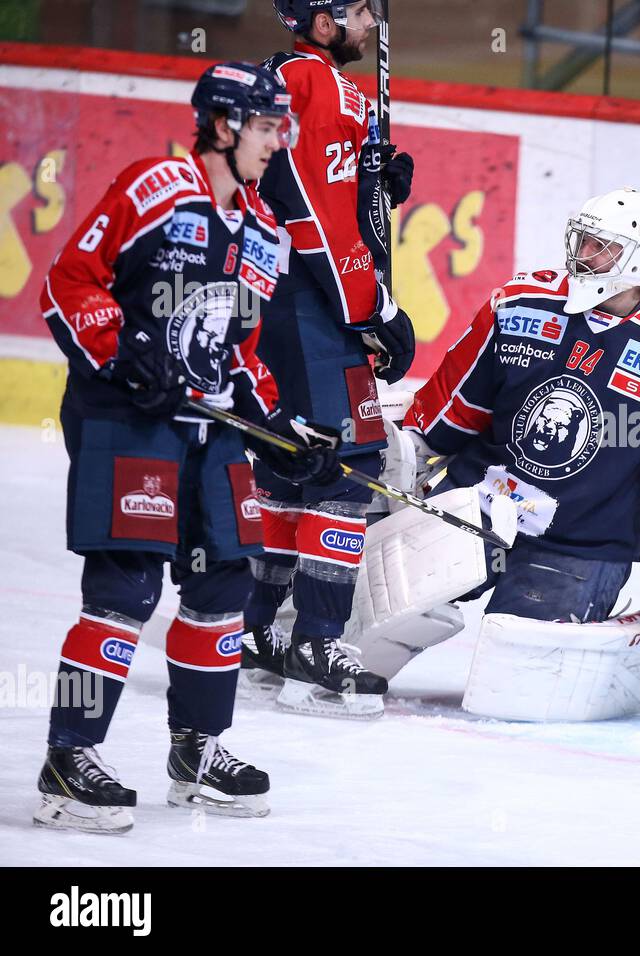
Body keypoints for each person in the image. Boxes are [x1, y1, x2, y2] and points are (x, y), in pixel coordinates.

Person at [241, 187, 640, 720]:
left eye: (598, 246)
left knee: (515, 682)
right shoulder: (520, 305)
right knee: (377, 621)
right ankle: (288, 646)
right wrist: (404, 455)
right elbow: (453, 404)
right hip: (480, 506)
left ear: (637, 258)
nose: (580, 254)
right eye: (580, 239)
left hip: (580, 544)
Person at [34, 62, 340, 833]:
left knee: (222, 588)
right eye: (268, 128)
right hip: (126, 417)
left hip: (208, 431)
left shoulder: (266, 234)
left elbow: (237, 354)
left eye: (282, 129)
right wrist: (122, 347)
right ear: (225, 124)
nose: (279, 143)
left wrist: (284, 430)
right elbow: (70, 282)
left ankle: (197, 750)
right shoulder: (158, 189)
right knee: (125, 591)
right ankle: (68, 758)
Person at [242, 0, 417, 718]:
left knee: (291, 462)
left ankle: (258, 629)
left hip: (280, 297)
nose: (373, 23)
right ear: (319, 23)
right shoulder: (318, 84)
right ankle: (315, 641)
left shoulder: (285, 80)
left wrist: (375, 188)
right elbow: (311, 208)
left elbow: (325, 193)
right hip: (311, 301)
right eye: (357, 11)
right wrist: (371, 306)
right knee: (349, 466)